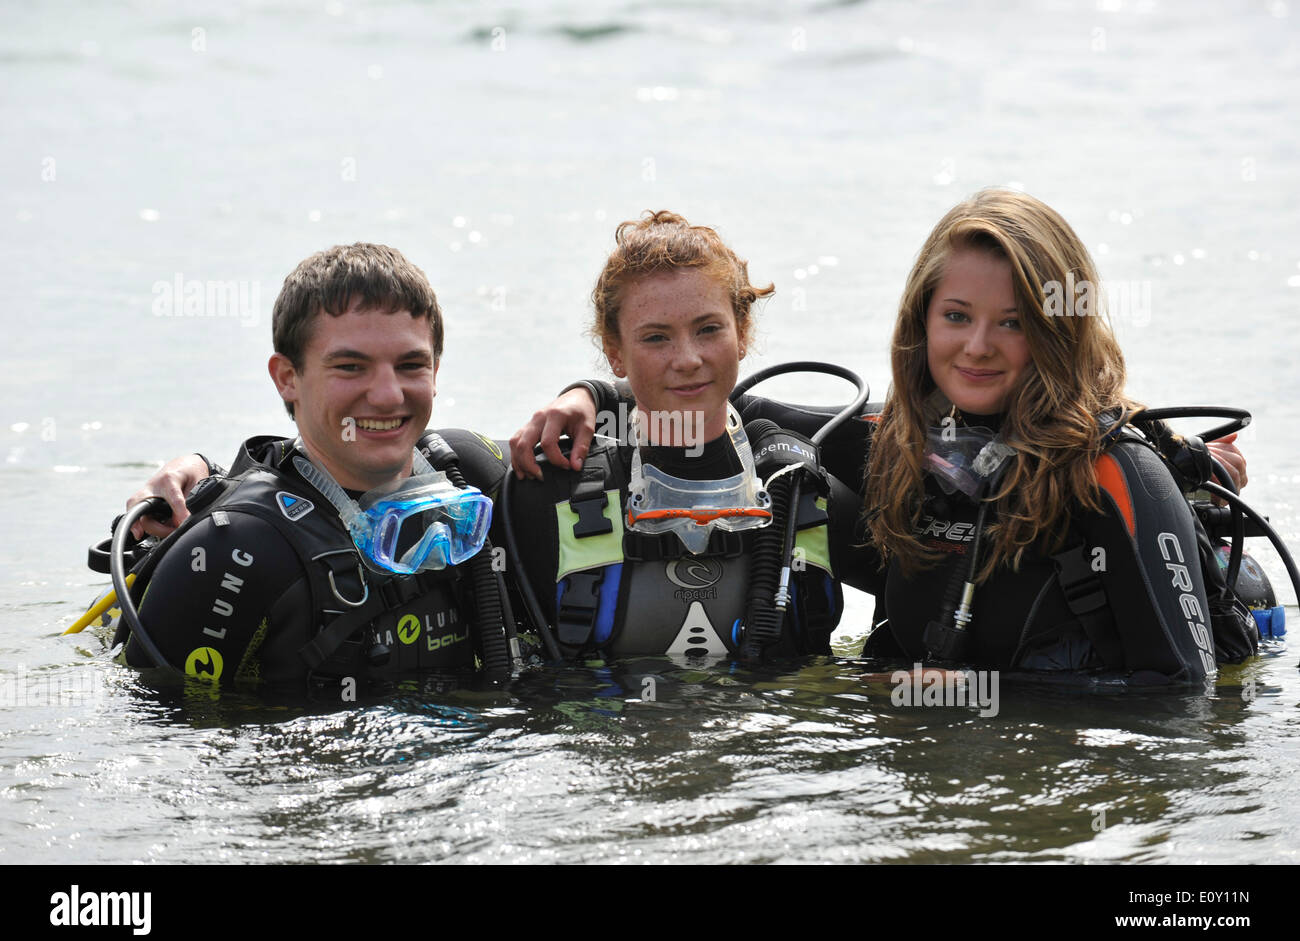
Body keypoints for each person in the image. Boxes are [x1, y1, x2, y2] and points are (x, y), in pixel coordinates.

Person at [515, 193, 1256, 684]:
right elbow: (711, 401)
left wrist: (981, 699)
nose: (979, 347)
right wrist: (587, 395)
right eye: (958, 315)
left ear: (1057, 328)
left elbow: (1185, 711)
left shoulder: (1117, 474)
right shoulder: (892, 446)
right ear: (922, 320)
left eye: (1014, 320)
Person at [112, 243, 513, 694]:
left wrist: (588, 394)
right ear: (287, 378)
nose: (386, 395)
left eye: (410, 365)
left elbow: (602, 455)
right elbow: (158, 744)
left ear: (436, 370)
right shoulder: (234, 552)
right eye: (350, 366)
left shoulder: (476, 473)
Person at [504, 211, 870, 665]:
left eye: (708, 329)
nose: (688, 358)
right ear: (614, 352)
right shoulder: (549, 488)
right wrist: (590, 394)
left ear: (743, 332)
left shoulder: (798, 489)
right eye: (657, 338)